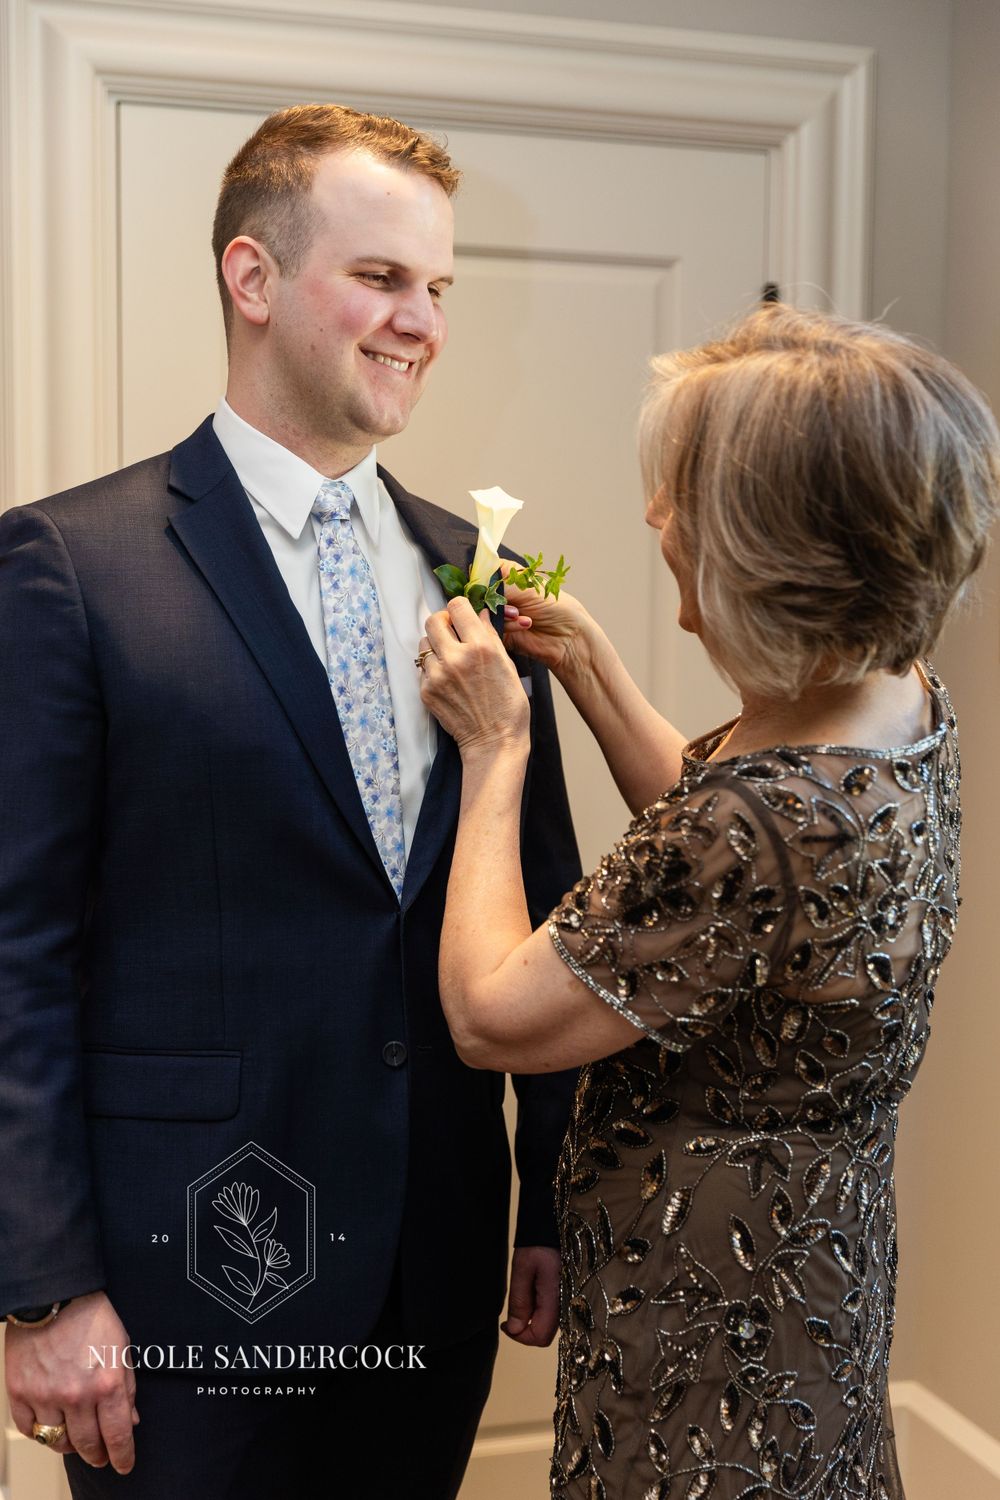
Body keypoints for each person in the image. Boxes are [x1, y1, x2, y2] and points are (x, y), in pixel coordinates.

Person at [0, 104, 580, 1499]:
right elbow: (16, 951)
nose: (421, 322)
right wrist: (40, 1285)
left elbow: (556, 903)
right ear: (252, 279)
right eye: (381, 279)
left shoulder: (478, 578)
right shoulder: (73, 567)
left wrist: (550, 1191)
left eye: (437, 288)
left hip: (431, 1257)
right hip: (183, 1282)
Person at [417, 304, 999, 1499]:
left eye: (682, 493)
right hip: (816, 1286)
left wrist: (495, 751)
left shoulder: (760, 819)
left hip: (708, 1339)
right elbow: (730, 887)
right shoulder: (898, 704)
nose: (652, 517)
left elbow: (489, 1015)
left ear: (771, 544)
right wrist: (591, 672)